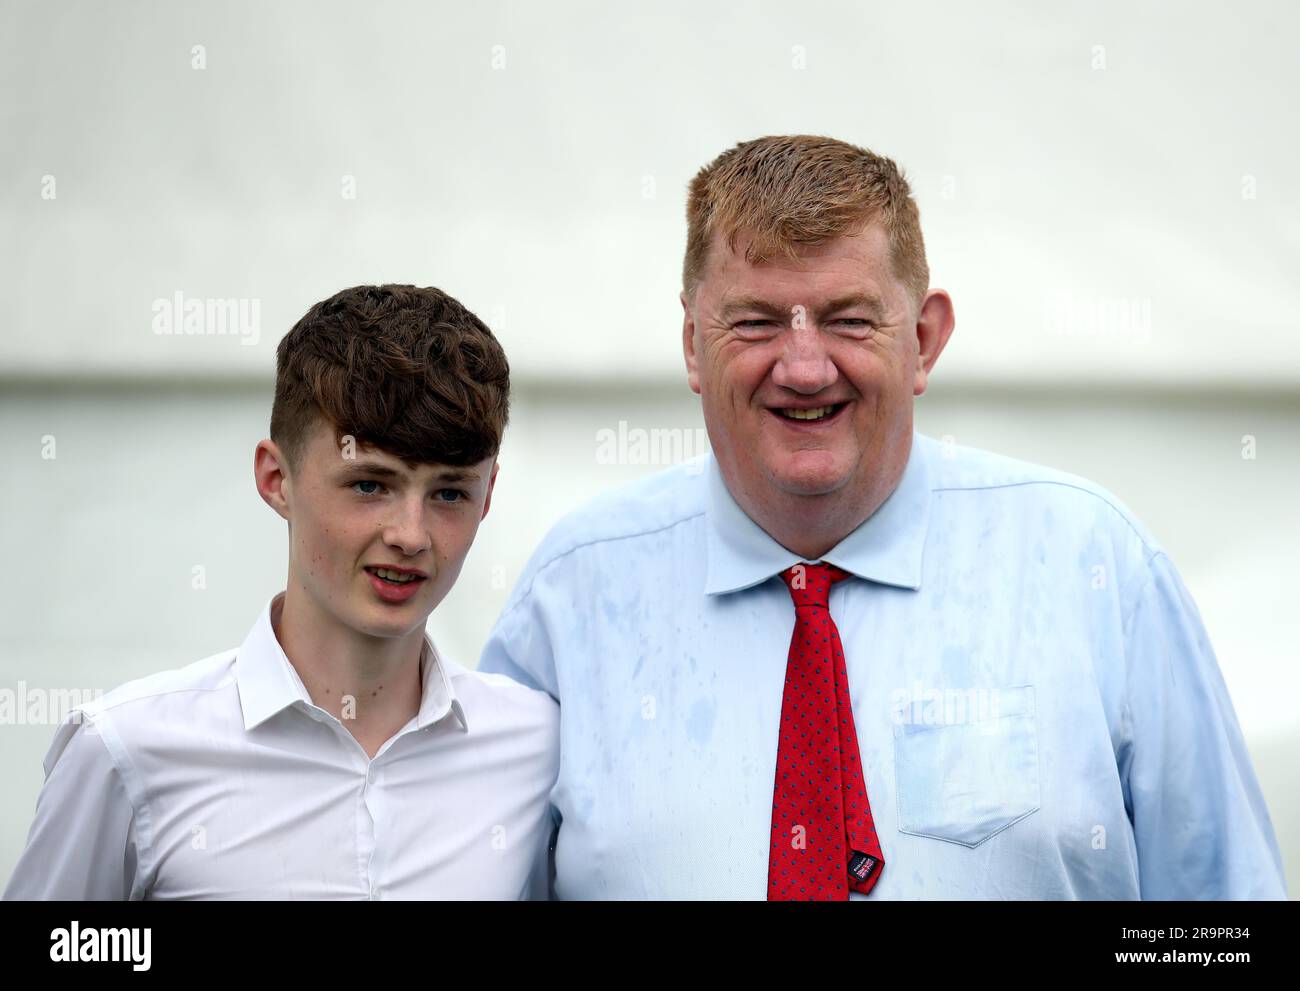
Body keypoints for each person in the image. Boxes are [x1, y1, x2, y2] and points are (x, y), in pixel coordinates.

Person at [479, 135, 1287, 900]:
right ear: (693, 343)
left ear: (925, 339)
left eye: (849, 319)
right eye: (757, 321)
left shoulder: (1093, 566)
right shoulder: (575, 594)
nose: (803, 367)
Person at [4, 284, 558, 900]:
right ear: (276, 478)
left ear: (489, 496)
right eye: (370, 484)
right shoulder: (125, 750)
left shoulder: (537, 749)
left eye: (450, 492)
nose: (410, 535)